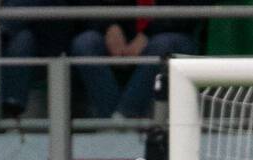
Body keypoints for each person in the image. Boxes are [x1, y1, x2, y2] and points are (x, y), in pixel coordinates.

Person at [68, 3, 200, 119]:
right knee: (85, 43)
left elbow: (189, 9)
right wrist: (108, 25)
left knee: (163, 45)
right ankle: (116, 121)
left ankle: (123, 118)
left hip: (170, 33)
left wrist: (148, 33)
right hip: (113, 33)